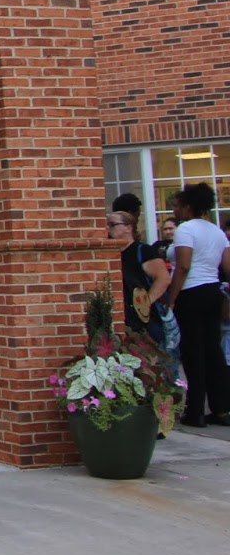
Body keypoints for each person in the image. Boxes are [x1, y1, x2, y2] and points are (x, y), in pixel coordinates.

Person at [165, 183, 230, 427]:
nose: (176, 210)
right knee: (213, 350)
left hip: (191, 292)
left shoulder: (186, 230)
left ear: (188, 207)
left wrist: (172, 298)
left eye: (178, 206)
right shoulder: (216, 231)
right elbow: (227, 267)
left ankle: (196, 411)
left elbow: (183, 266)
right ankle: (222, 408)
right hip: (213, 290)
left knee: (193, 352)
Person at [109, 210, 170, 339]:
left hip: (145, 319)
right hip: (124, 316)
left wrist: (145, 303)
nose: (108, 228)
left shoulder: (143, 250)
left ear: (128, 228)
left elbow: (163, 279)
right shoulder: (111, 253)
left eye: (112, 224)